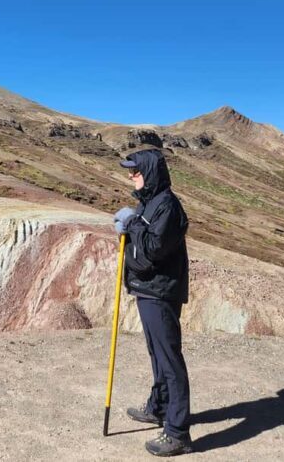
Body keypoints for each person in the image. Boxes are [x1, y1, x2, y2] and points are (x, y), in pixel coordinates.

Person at [113, 147, 192, 456]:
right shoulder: (152, 202)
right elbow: (145, 242)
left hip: (160, 291)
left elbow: (149, 253)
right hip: (149, 290)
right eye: (130, 171)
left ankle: (177, 431)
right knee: (158, 355)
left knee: (169, 359)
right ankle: (159, 407)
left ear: (151, 173)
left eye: (136, 171)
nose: (131, 176)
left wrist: (131, 225)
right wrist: (133, 223)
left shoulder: (167, 207)